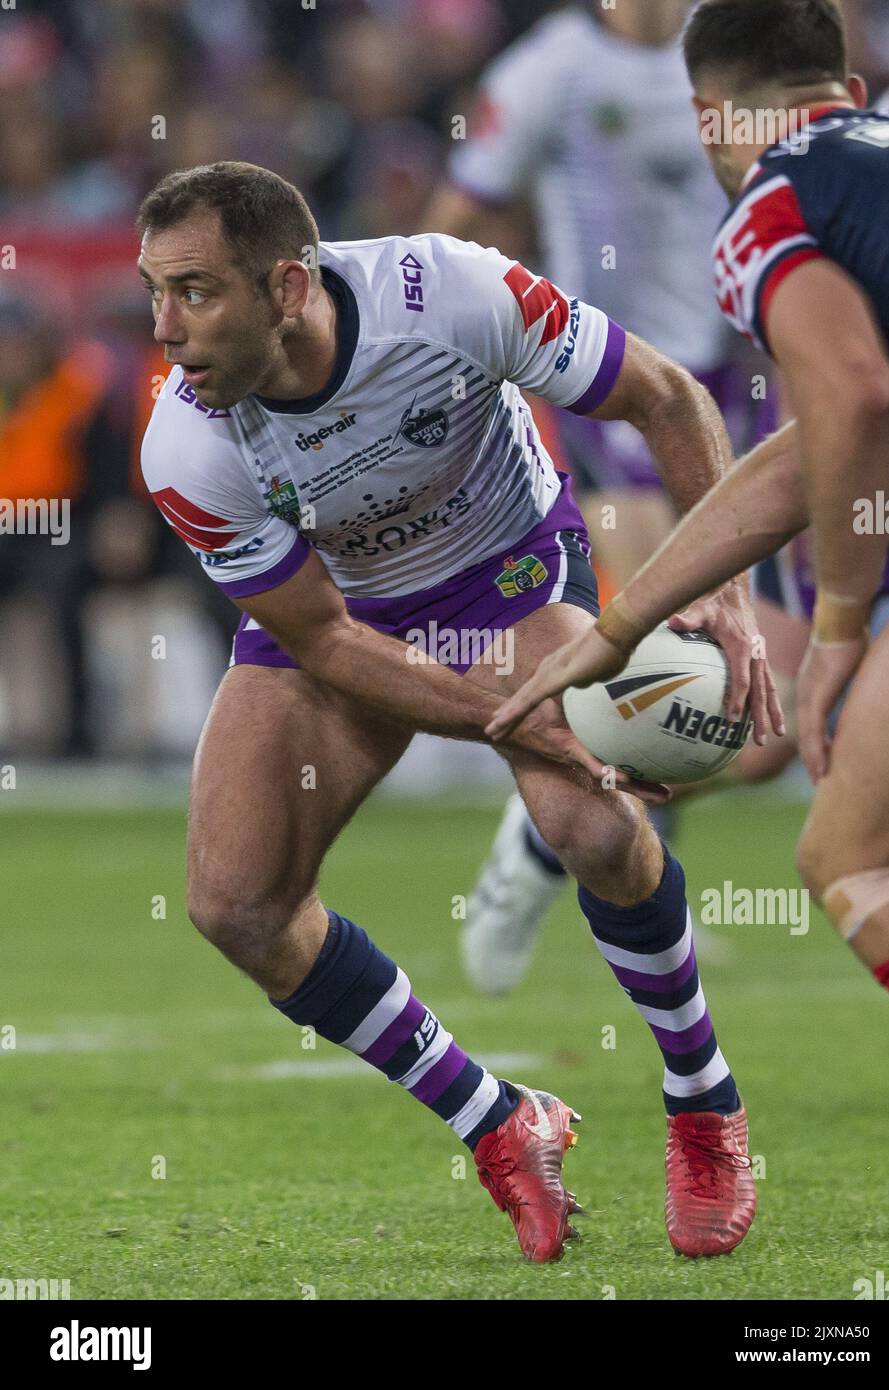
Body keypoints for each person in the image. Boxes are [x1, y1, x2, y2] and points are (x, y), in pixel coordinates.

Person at [138, 160, 767, 1263]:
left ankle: (701, 1097)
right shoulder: (185, 444)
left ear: (287, 288)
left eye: (194, 292)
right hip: (344, 616)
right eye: (155, 292)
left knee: (592, 826)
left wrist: (721, 590)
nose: (164, 328)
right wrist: (507, 718)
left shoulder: (452, 292)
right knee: (234, 903)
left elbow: (663, 396)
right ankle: (497, 1120)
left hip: (508, 573)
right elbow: (323, 637)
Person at [488, 0, 889, 1031]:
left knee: (849, 856)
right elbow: (810, 447)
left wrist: (835, 629)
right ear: (847, 92)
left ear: (705, 118)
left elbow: (848, 394)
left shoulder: (770, 204)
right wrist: (622, 627)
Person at [424, 0, 769, 989]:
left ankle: (538, 847)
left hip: (733, 392)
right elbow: (452, 221)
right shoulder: (549, 71)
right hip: (614, 390)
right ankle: (561, 854)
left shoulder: (732, 49)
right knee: (693, 657)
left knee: (744, 735)